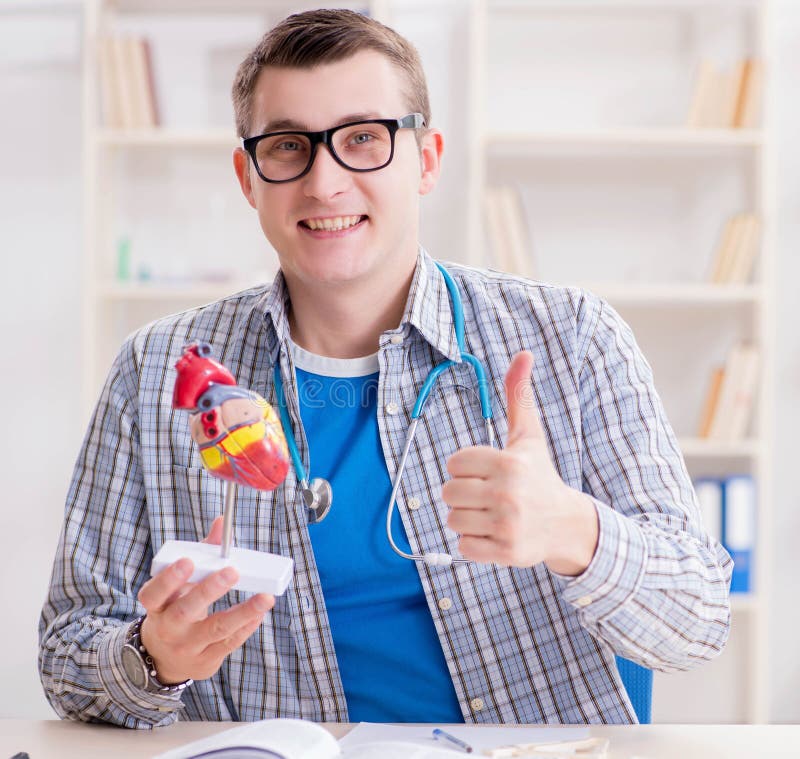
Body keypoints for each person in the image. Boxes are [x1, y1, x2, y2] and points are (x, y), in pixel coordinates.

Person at [39, 9, 732, 729]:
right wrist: (152, 659)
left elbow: (699, 622)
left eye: (363, 139)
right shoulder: (155, 373)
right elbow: (67, 653)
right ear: (249, 177)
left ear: (427, 159)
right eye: (287, 147)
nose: (324, 183)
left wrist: (574, 532)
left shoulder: (573, 340)